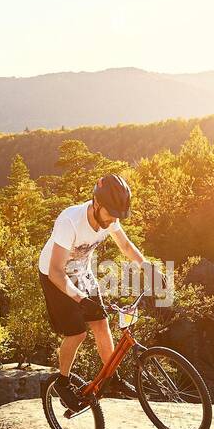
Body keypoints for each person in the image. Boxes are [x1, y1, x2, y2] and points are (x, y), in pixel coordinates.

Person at [38, 173, 146, 410]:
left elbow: (126, 246)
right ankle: (63, 383)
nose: (113, 220)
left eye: (118, 215)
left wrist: (148, 268)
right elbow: (57, 272)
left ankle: (111, 378)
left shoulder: (110, 217)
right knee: (77, 333)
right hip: (54, 275)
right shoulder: (70, 221)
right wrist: (79, 298)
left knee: (101, 325)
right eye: (111, 214)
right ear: (96, 203)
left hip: (81, 273)